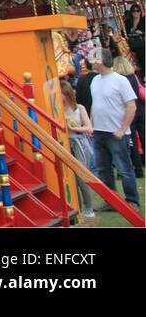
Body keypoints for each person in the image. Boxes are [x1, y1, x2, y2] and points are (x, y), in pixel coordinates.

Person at [88, 48, 140, 211]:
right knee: (104, 169)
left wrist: (122, 129)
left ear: (101, 61)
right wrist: (91, 124)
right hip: (99, 132)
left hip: (116, 133)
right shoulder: (95, 80)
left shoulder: (120, 80)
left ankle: (132, 201)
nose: (90, 61)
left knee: (124, 169)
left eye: (93, 58)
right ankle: (111, 201)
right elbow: (95, 105)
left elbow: (131, 106)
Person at [60, 79, 97, 221]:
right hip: (66, 143)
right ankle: (78, 208)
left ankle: (88, 209)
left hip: (80, 143)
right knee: (72, 179)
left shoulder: (79, 108)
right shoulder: (58, 108)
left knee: (82, 178)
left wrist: (74, 129)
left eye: (62, 93)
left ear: (67, 93)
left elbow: (89, 128)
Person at [111, 55, 145, 177]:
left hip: (127, 113)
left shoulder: (118, 80)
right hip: (140, 110)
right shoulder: (134, 77)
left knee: (132, 142)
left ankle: (137, 168)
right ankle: (141, 168)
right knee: (143, 137)